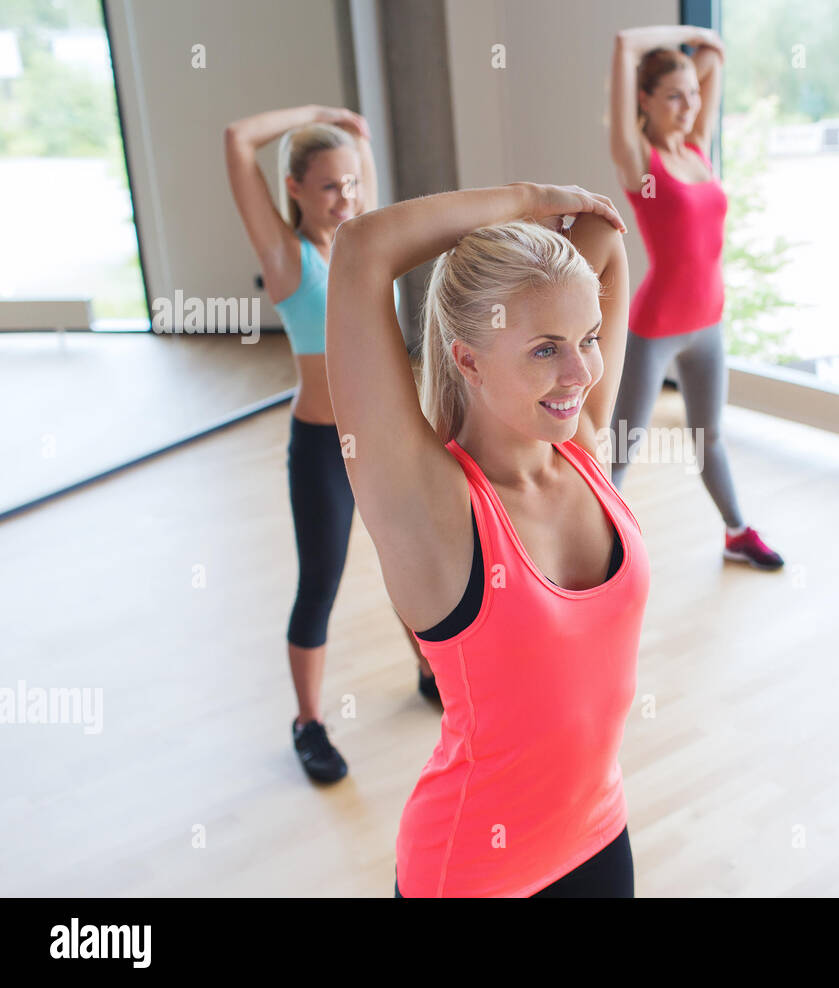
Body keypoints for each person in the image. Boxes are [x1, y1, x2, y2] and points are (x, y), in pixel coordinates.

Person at [324, 181, 651, 896]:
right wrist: (530, 199)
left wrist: (548, 247)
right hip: (477, 872)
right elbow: (360, 252)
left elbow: (607, 235)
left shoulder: (579, 446)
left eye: (588, 339)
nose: (581, 373)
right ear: (467, 359)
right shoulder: (430, 506)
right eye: (544, 350)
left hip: (599, 837)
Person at [224, 104, 435, 786]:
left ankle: (430, 667)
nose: (346, 197)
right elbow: (237, 139)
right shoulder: (289, 258)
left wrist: (351, 136)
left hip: (381, 440)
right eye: (327, 187)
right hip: (320, 448)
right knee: (320, 583)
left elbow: (365, 157)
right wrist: (315, 115)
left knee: (411, 561)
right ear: (293, 190)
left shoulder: (367, 241)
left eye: (352, 184)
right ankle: (308, 723)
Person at [608, 26, 783, 569]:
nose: (689, 106)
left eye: (694, 94)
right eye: (674, 96)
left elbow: (715, 56)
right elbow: (624, 44)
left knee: (709, 438)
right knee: (621, 449)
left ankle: (736, 532)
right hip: (656, 327)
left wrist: (699, 49)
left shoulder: (696, 149)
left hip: (708, 324)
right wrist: (688, 33)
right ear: (645, 101)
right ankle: (592, 546)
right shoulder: (641, 161)